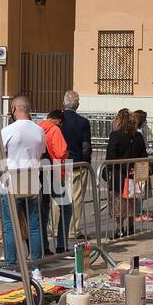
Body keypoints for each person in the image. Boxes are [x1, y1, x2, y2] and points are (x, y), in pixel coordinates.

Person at [0, 96, 46, 268]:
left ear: (14, 108)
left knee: (11, 226)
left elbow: (1, 155)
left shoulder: (8, 130)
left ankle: (11, 266)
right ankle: (36, 267)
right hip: (32, 179)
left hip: (11, 180)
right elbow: (40, 153)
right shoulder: (39, 131)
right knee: (34, 226)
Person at [104, 108, 147, 239]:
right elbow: (143, 155)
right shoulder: (138, 136)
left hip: (119, 173)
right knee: (132, 201)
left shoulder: (115, 135)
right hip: (134, 173)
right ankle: (131, 228)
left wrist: (107, 171)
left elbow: (110, 155)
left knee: (118, 202)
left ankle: (119, 229)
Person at [36, 108, 69, 255]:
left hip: (40, 173)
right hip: (54, 174)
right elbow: (61, 152)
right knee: (67, 207)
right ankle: (61, 244)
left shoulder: (37, 127)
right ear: (58, 121)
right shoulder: (55, 130)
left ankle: (44, 247)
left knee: (43, 211)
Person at [60, 90, 92, 239]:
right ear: (77, 105)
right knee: (76, 198)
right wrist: (87, 163)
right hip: (77, 163)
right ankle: (73, 229)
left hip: (58, 164)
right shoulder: (83, 122)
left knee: (57, 197)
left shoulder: (56, 120)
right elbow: (86, 146)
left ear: (63, 103)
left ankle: (55, 228)